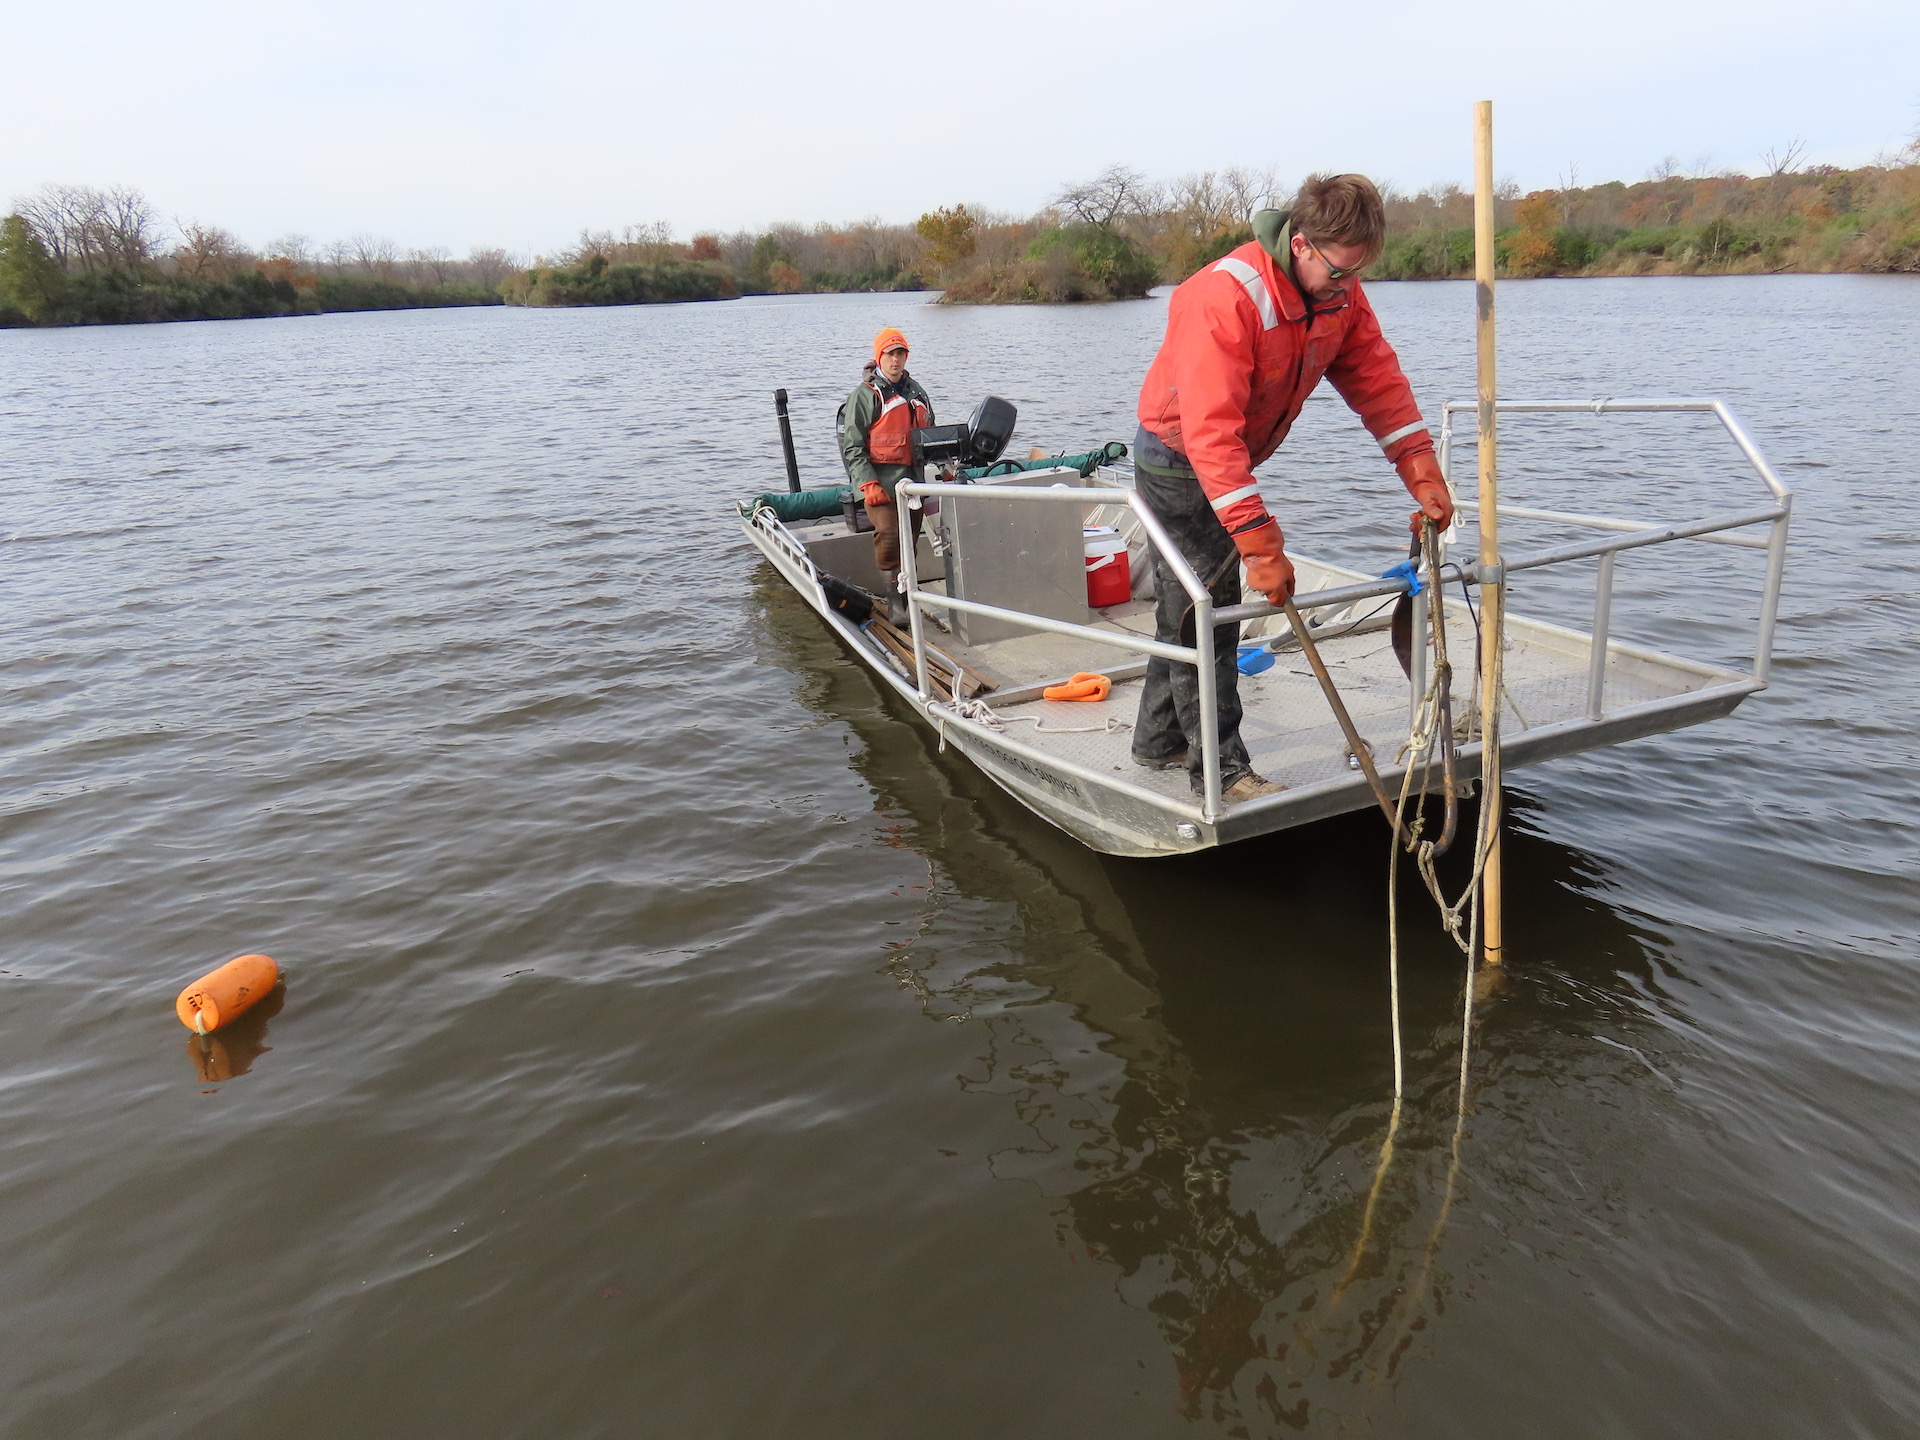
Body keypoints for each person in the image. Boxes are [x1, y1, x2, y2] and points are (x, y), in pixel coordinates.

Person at [1130, 173, 1454, 803]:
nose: (1349, 285)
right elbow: (1210, 435)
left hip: (1224, 457)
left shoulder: (1339, 297)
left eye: (1359, 273)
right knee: (1210, 613)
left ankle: (1157, 740)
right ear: (1302, 245)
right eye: (1340, 272)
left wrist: (1420, 467)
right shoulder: (1223, 298)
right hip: (1178, 460)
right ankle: (1221, 771)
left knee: (1182, 609)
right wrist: (1259, 545)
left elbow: (1377, 382)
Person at [840, 327, 935, 627]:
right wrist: (868, 484)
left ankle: (909, 596)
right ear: (879, 357)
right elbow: (852, 447)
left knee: (911, 541)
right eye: (890, 354)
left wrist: (943, 467)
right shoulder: (864, 396)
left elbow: (932, 436)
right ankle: (895, 601)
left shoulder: (917, 392)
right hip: (878, 484)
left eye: (900, 353)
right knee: (891, 536)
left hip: (913, 483)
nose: (896, 360)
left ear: (906, 356)